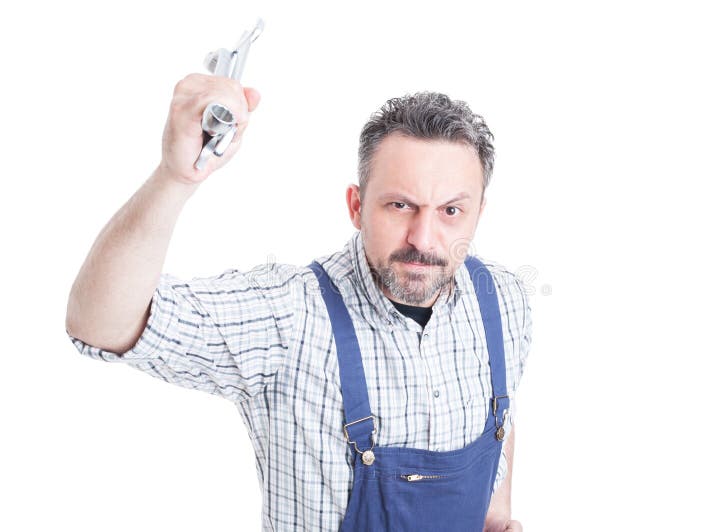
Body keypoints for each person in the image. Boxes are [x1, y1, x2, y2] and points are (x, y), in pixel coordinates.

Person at [65, 73, 532, 531]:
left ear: (478, 213)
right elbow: (99, 325)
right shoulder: (290, 318)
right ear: (356, 206)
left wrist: (496, 516)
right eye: (400, 206)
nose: (423, 238)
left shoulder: (503, 302)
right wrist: (174, 179)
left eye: (451, 211)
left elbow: (501, 421)